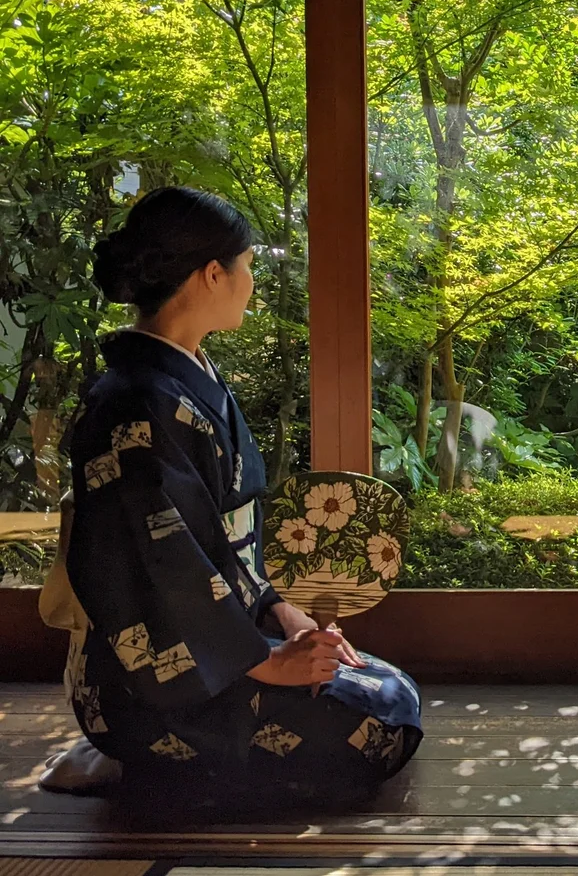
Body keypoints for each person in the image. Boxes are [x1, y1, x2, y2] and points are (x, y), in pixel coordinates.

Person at [52, 186, 422, 808]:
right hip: (149, 681)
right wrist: (263, 662)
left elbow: (215, 542)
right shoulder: (134, 402)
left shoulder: (183, 378)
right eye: (247, 266)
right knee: (376, 730)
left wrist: (280, 612)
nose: (252, 281)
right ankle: (144, 762)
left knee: (385, 690)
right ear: (212, 274)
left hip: (218, 639)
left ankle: (177, 764)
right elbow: (156, 567)